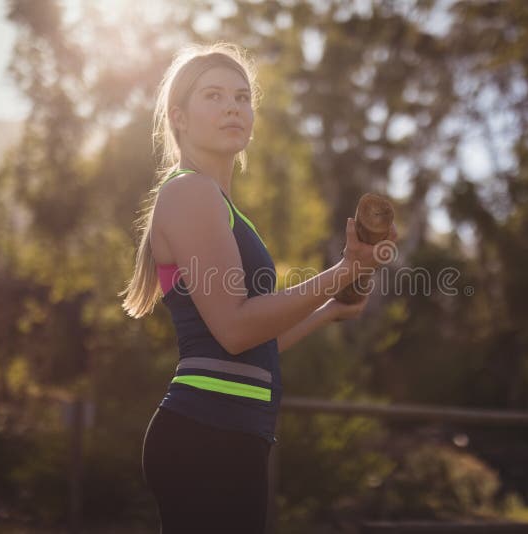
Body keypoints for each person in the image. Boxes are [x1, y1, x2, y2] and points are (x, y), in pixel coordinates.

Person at [119, 42, 397, 533]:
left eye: (243, 97)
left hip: (230, 436)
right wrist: (344, 269)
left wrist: (331, 307)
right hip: (207, 437)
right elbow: (234, 329)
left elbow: (249, 347)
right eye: (214, 96)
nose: (233, 106)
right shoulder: (190, 192)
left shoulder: (223, 209)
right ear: (179, 117)